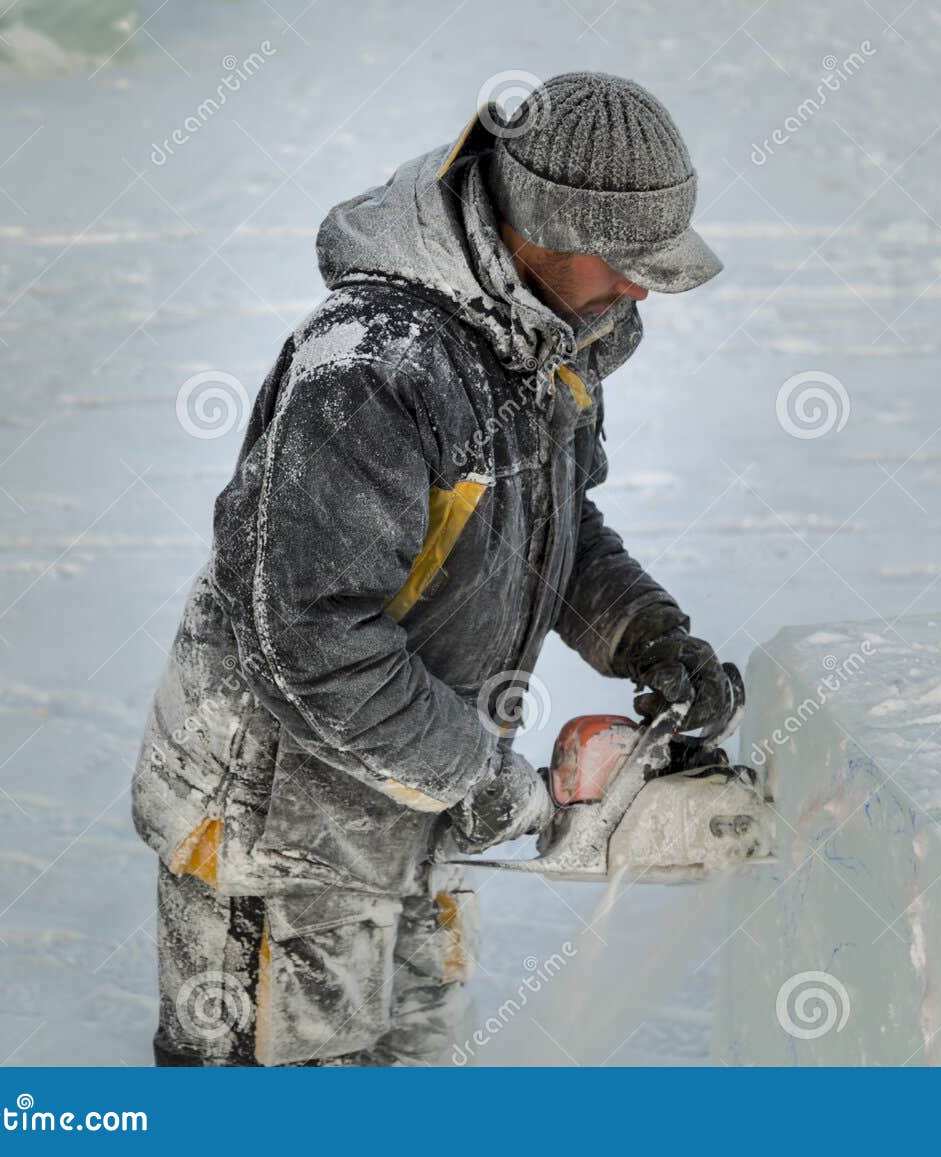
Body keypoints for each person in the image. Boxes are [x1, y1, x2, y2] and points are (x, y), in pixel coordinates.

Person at [131, 72, 735, 1066]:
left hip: (414, 794)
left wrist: (646, 631)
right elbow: (311, 638)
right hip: (277, 834)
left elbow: (551, 518)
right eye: (626, 259)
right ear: (544, 227)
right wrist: (475, 776)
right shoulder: (375, 370)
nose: (638, 288)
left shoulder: (547, 338)